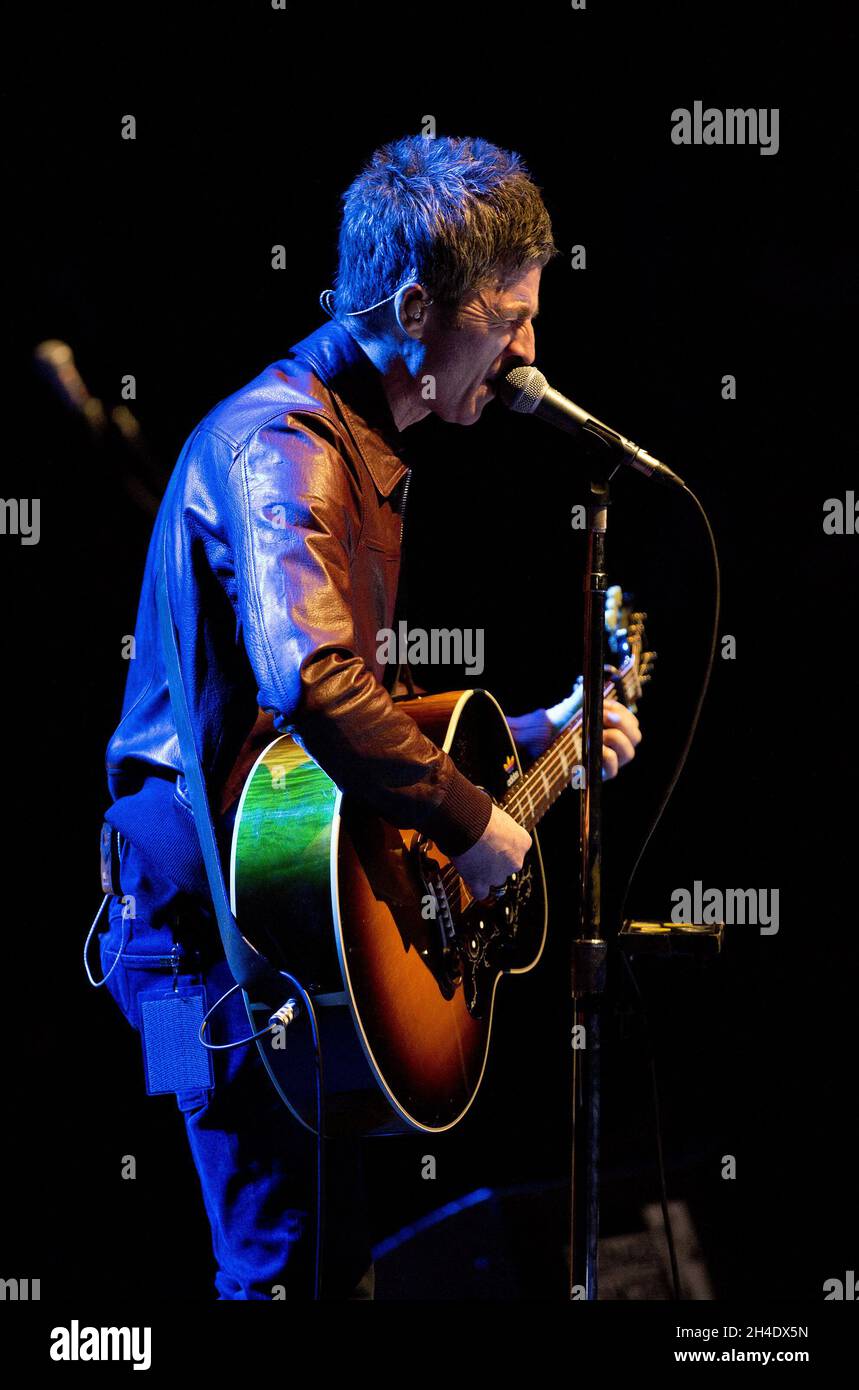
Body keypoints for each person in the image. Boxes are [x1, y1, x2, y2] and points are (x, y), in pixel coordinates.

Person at [96, 134, 642, 1300]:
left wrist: (534, 740)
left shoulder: (357, 441)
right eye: (509, 319)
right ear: (415, 309)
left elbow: (327, 726)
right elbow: (313, 682)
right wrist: (470, 822)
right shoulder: (285, 446)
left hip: (269, 916)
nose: (527, 351)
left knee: (322, 1267)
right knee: (278, 1268)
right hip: (196, 946)